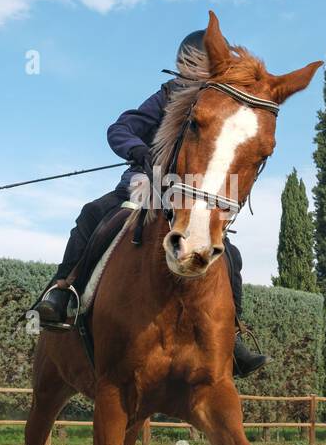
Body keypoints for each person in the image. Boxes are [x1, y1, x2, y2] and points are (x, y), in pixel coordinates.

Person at [34, 30, 269, 377]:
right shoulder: (166, 97)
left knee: (230, 252)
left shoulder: (222, 107)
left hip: (192, 195)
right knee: (93, 215)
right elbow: (120, 129)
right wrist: (139, 150)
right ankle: (62, 292)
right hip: (147, 185)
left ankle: (232, 335)